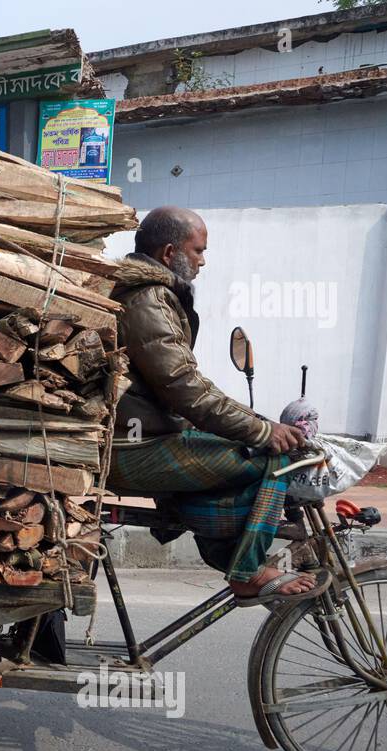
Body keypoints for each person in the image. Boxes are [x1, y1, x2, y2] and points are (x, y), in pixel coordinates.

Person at [108, 207, 323, 604]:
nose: (203, 261)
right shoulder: (148, 300)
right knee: (278, 461)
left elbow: (188, 384)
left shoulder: (153, 294)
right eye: (198, 251)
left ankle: (227, 553)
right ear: (170, 251)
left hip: (145, 434)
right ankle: (245, 571)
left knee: (239, 446)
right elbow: (183, 388)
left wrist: (255, 421)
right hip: (131, 447)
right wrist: (262, 430)